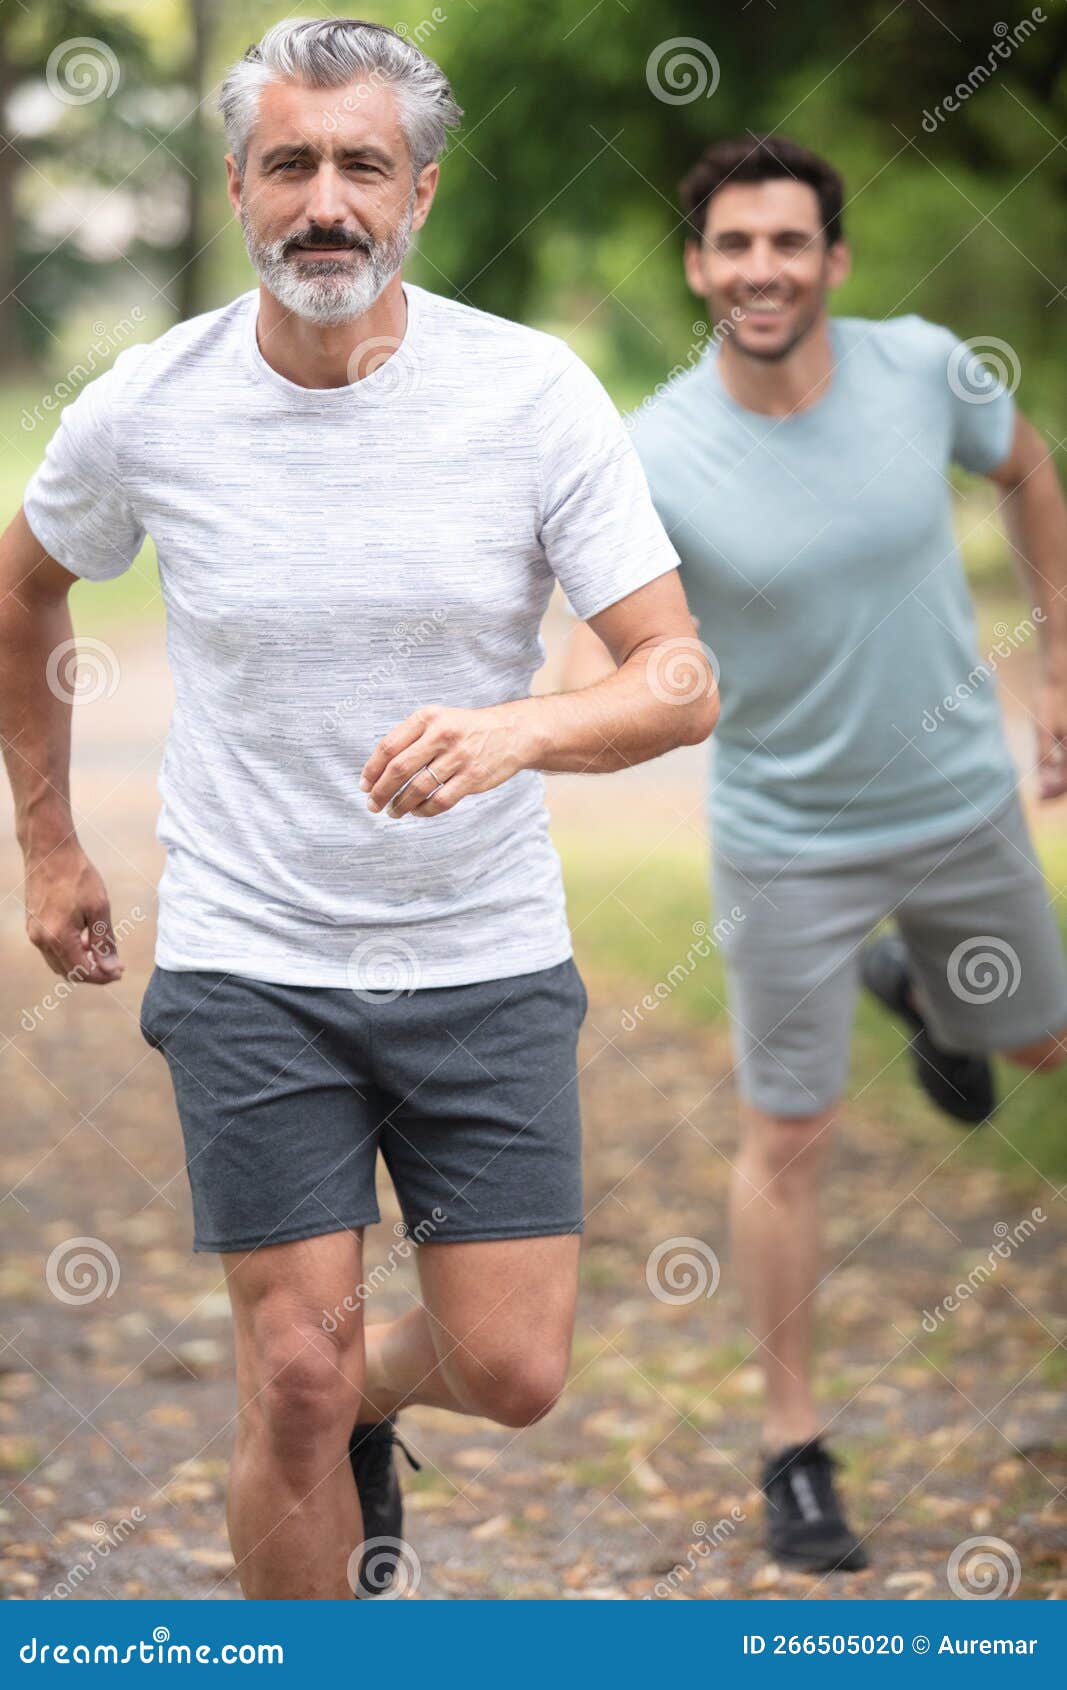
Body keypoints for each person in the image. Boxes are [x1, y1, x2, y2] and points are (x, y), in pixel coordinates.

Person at [0, 18, 716, 1601]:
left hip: (483, 953)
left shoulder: (530, 395)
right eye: (291, 164)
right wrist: (48, 842)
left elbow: (678, 680)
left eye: (362, 166)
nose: (326, 202)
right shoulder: (152, 403)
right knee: (293, 1371)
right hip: (253, 957)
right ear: (239, 185)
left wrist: (521, 729)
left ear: (421, 191)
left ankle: (373, 1405)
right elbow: (24, 587)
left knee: (515, 1367)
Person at [564, 133, 1067, 1573]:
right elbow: (609, 645)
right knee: (789, 1134)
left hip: (959, 801)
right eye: (734, 244)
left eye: (789, 241)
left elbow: (1028, 469)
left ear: (832, 259)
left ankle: (925, 992)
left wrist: (1061, 661)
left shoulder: (924, 369)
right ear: (697, 268)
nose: (762, 268)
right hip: (784, 835)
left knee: (1041, 1046)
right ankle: (793, 1449)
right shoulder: (653, 450)